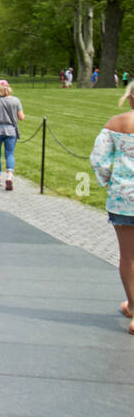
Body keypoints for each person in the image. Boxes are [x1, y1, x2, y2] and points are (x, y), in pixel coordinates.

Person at [89, 83, 134, 334]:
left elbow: (99, 158)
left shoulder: (115, 123)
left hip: (124, 197)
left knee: (129, 257)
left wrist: (106, 180)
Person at [0, 80, 24, 190]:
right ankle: (10, 176)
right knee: (10, 154)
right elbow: (21, 117)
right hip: (11, 130)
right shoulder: (16, 100)